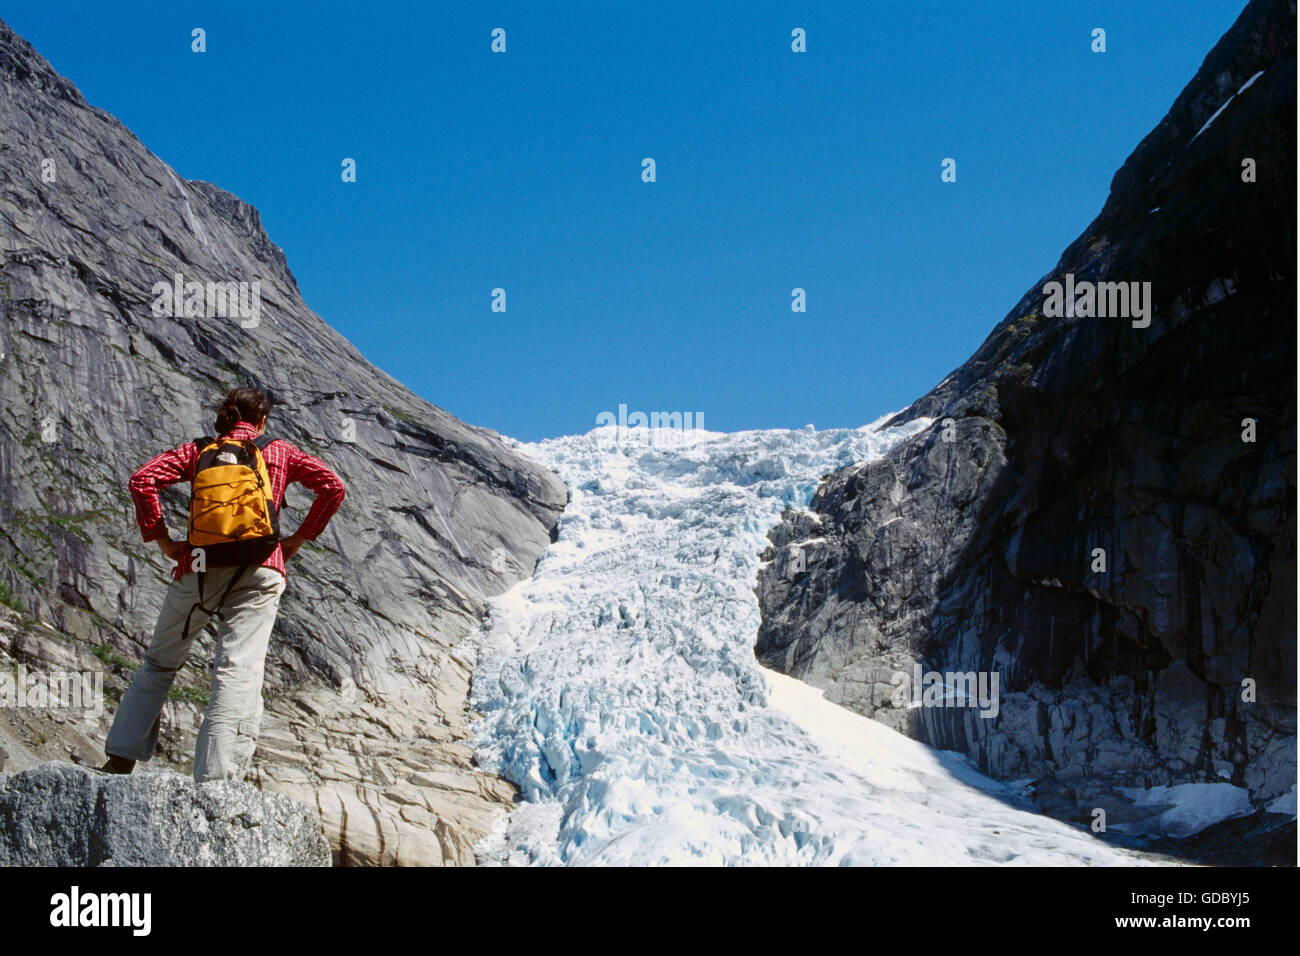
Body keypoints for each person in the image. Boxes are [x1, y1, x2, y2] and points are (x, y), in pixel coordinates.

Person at [102, 387, 345, 782]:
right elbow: (333, 487)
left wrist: (163, 540)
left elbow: (141, 480)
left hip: (198, 567)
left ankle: (120, 760)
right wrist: (297, 539)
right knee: (236, 671)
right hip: (262, 568)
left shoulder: (199, 451)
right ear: (262, 420)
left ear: (225, 417)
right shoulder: (280, 452)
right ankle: (215, 781)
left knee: (159, 663)